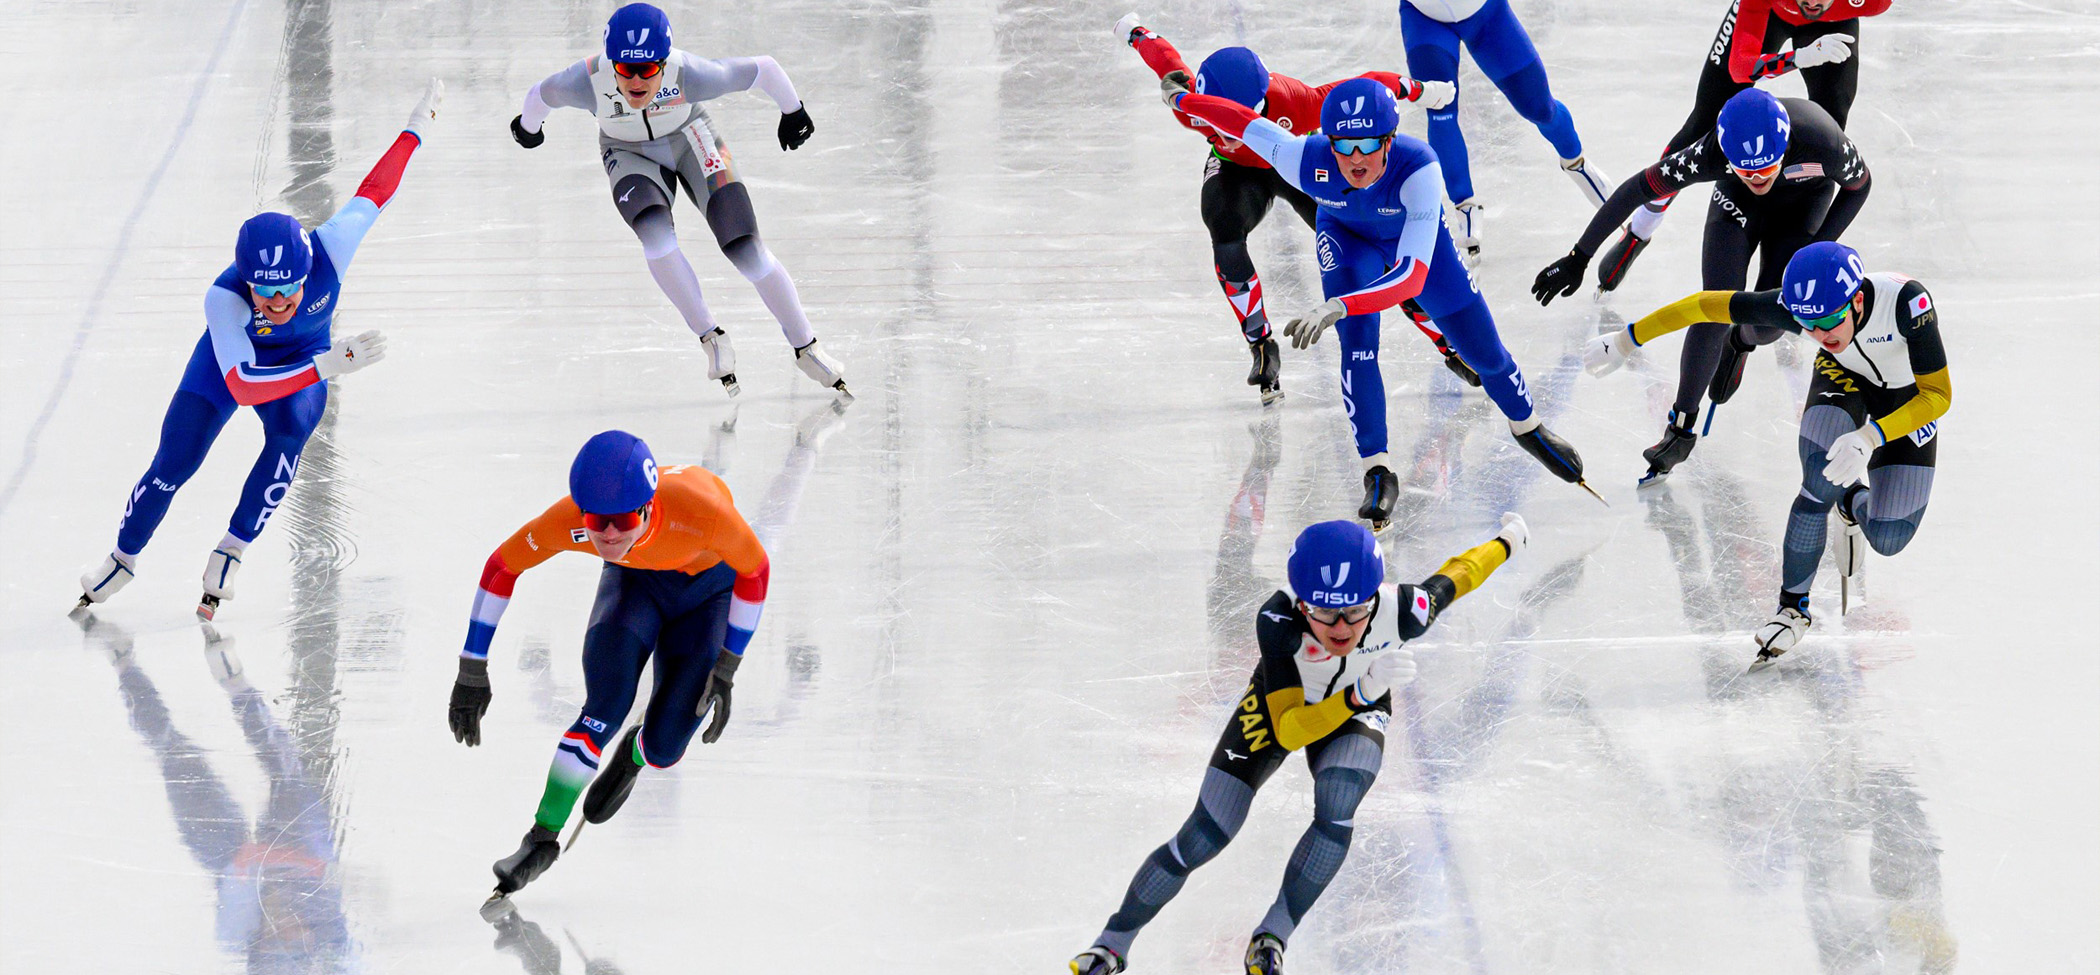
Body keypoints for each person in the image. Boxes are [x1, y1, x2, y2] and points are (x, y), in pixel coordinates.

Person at [1069, 514, 1528, 975]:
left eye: (1355, 610)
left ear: (1374, 598)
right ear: (1302, 604)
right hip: (1287, 706)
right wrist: (1362, 692)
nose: (1343, 627)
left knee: (1338, 804)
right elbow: (1289, 730)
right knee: (1206, 833)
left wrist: (1508, 539)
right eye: (1325, 612)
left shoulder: (1402, 609)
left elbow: (1461, 575)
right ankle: (1111, 945)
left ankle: (1273, 937)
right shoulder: (1278, 621)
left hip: (1355, 710)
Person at [76, 82, 440, 621]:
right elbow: (243, 386)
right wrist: (327, 364)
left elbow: (376, 191)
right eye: (264, 292)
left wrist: (415, 128)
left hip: (300, 365)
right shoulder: (224, 299)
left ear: (305, 269)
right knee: (174, 462)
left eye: (289, 289)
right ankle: (123, 557)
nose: (278, 302)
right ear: (247, 281)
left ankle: (233, 549)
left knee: (290, 434)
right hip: (234, 365)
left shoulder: (333, 246)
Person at [1174, 79, 1592, 526]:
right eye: (1344, 145)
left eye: (1369, 144)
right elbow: (1242, 121)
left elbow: (1412, 277)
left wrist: (1340, 305)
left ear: (1389, 140)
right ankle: (1376, 469)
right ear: (1328, 141)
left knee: (1484, 353)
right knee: (1357, 347)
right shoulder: (1303, 157)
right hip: (1348, 241)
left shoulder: (1419, 169)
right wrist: (1183, 101)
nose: (1356, 158)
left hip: (1418, 248)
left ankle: (1528, 427)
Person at [1584, 242, 1947, 670]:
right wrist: (1627, 339)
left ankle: (1850, 502)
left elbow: (1938, 396)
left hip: (1906, 400)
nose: (1821, 335)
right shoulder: (1798, 309)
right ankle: (1791, 608)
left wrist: (1872, 436)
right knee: (1818, 477)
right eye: (1808, 325)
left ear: (1860, 300)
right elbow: (1701, 307)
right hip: (1844, 379)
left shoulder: (1908, 304)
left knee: (1889, 537)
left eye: (1830, 320)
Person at [447, 431, 771, 898]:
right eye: (598, 521)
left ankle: (636, 753)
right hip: (635, 586)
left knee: (664, 747)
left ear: (647, 507)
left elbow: (755, 572)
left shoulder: (704, 512)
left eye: (622, 520)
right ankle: (540, 839)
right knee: (605, 705)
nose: (610, 535)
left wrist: (728, 665)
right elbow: (502, 567)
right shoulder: (572, 523)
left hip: (709, 596)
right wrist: (471, 668)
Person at [1114, 15, 1459, 403]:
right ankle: (1261, 343)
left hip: (1298, 166)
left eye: (1241, 123)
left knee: (1375, 257)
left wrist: (1425, 91)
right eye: (1221, 127)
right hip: (1238, 175)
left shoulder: (1299, 104)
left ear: (1262, 108)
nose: (1231, 136)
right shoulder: (1190, 105)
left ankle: (1447, 342)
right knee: (1225, 235)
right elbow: (1164, 60)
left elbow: (1369, 86)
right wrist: (1134, 33)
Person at [509, 2, 846, 398]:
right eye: (625, 68)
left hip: (691, 138)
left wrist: (794, 111)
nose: (636, 81)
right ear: (610, 62)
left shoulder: (690, 74)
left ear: (664, 63)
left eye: (648, 69)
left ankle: (807, 347)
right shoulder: (583, 81)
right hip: (627, 151)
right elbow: (540, 94)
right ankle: (710, 336)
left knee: (745, 247)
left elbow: (765, 69)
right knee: (655, 238)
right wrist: (528, 127)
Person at [1533, 88, 1871, 484]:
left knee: (1766, 327)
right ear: (1729, 160)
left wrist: (1819, 245)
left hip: (1802, 209)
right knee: (1715, 306)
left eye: (1767, 169)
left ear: (1785, 151)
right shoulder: (1710, 153)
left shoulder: (1823, 141)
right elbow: (1637, 189)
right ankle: (1680, 428)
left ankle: (1742, 341)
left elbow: (1859, 186)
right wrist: (1580, 256)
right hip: (1736, 209)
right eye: (1748, 172)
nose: (1759, 180)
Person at [1589, 0, 1890, 290]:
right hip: (1768, 11)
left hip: (1832, 24)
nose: (1810, 3)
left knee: (1830, 132)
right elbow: (1740, 68)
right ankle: (1640, 228)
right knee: (1699, 128)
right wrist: (1796, 59)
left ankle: (1794, 233)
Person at [1397, 0, 1615, 261]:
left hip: (1487, 15)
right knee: (1441, 111)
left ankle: (1575, 161)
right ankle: (1464, 205)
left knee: (1539, 108)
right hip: (1425, 19)